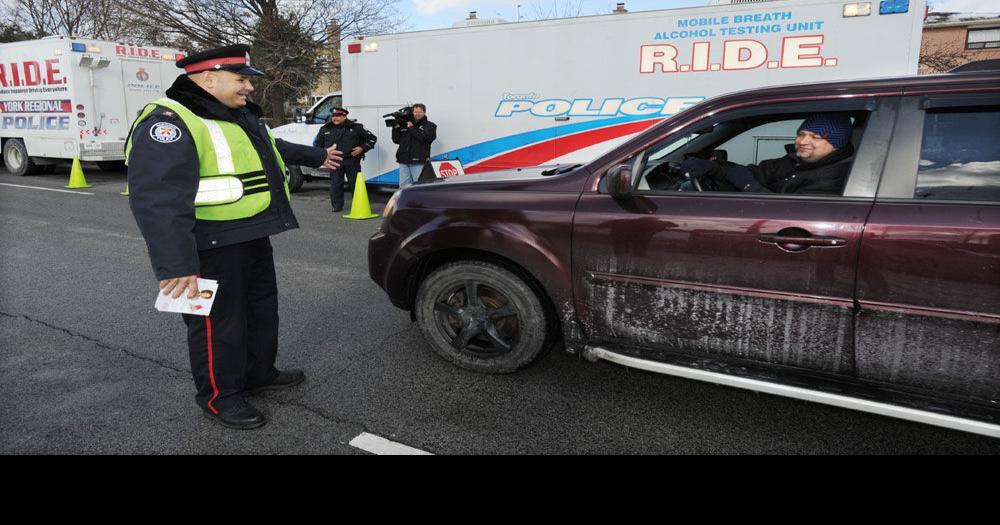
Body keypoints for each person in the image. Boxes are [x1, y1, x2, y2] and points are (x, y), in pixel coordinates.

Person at [125, 44, 343, 430]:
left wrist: (316, 157)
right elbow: (158, 200)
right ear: (209, 79)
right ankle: (219, 396)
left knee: (261, 311)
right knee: (218, 324)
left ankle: (258, 373)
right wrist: (176, 265)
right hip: (209, 241)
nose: (249, 87)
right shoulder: (170, 121)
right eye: (241, 79)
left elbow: (269, 147)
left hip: (251, 231)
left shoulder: (236, 114)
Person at [682, 113, 856, 195]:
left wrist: (748, 185)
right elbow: (755, 173)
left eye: (815, 137)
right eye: (801, 134)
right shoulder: (794, 161)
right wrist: (714, 168)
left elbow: (787, 214)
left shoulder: (836, 177)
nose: (803, 141)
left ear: (837, 144)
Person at [313, 107, 377, 212]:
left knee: (355, 184)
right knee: (336, 184)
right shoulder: (325, 128)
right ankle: (336, 205)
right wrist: (323, 157)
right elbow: (317, 144)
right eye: (334, 116)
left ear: (344, 116)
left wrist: (362, 148)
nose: (335, 118)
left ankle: (359, 205)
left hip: (352, 160)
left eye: (338, 116)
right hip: (334, 161)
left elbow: (372, 138)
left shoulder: (356, 127)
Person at [391, 103, 437, 188]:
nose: (417, 114)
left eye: (420, 112)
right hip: (403, 160)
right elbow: (396, 140)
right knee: (404, 186)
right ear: (412, 112)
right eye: (415, 112)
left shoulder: (430, 126)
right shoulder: (405, 125)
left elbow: (424, 138)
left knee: (419, 185)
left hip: (418, 161)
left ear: (424, 112)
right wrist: (395, 127)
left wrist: (411, 128)